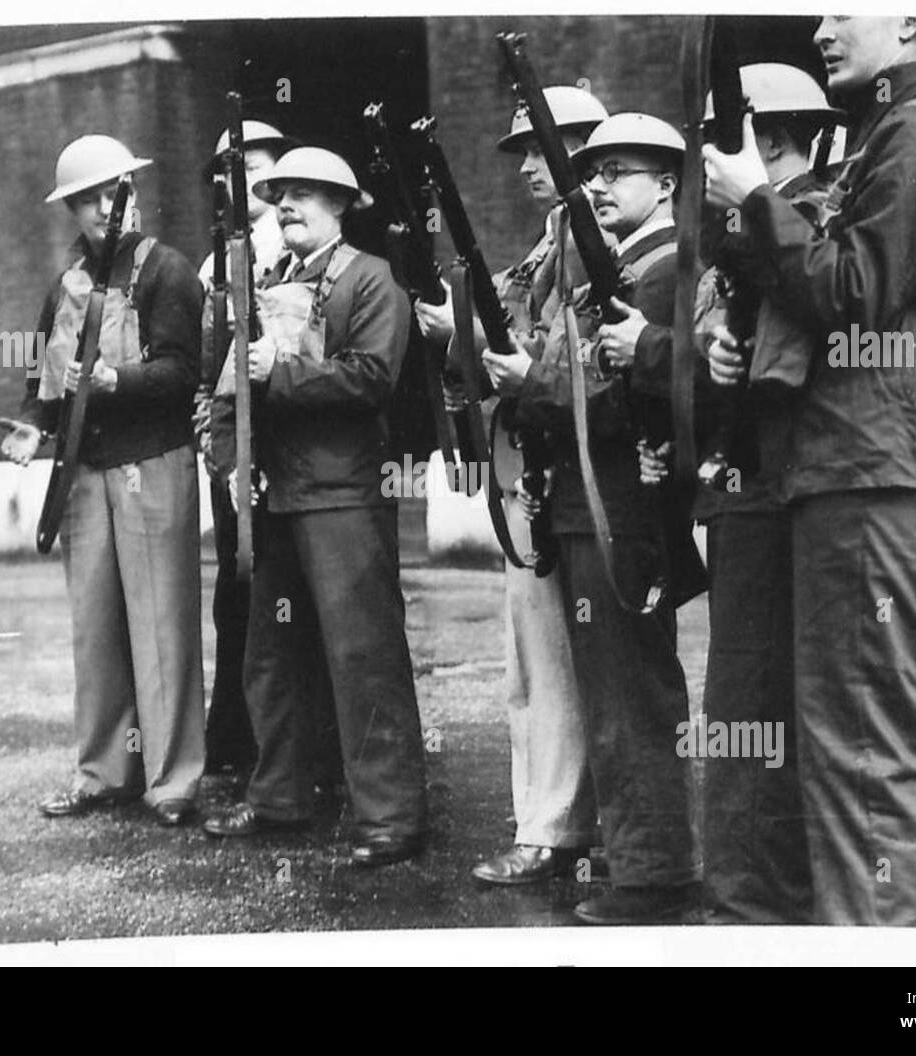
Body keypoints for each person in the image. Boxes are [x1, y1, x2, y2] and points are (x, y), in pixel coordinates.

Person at [705, 17, 916, 926]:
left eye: (841, 9)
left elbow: (852, 291)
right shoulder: (914, 131)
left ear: (911, 17)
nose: (822, 29)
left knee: (865, 765)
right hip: (901, 469)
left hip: (875, 475)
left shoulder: (913, 134)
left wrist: (757, 197)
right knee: (910, 746)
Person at [484, 112, 702, 924]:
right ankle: (638, 853)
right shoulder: (613, 270)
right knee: (610, 695)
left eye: (619, 173)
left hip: (624, 509)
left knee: (630, 697)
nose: (599, 187)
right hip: (591, 504)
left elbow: (627, 401)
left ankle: (653, 873)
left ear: (667, 184)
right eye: (594, 174)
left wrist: (527, 387)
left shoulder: (663, 269)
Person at [204, 147, 428, 867]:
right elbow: (230, 388)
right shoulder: (268, 283)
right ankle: (278, 797)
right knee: (270, 656)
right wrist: (234, 459)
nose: (287, 205)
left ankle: (389, 816)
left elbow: (371, 379)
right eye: (281, 195)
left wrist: (279, 370)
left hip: (343, 496)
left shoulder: (371, 279)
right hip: (279, 493)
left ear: (340, 203)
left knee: (363, 657)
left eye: (304, 193)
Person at [414, 85, 606, 886]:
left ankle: (556, 825)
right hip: (531, 459)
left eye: (544, 148)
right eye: (525, 150)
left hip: (566, 465)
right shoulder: (550, 239)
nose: (530, 165)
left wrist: (473, 334)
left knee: (555, 654)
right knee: (534, 653)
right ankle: (558, 819)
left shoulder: (589, 238)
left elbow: (567, 343)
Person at [0, 135, 206, 828]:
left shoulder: (166, 271)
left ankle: (172, 779)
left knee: (161, 625)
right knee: (96, 629)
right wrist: (32, 422)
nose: (102, 209)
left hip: (153, 463)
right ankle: (103, 772)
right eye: (86, 199)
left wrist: (120, 379)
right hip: (82, 471)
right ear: (73, 211)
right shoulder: (65, 286)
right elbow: (41, 376)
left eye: (111, 193)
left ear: (132, 194)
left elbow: (184, 373)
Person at [688, 63, 838, 923]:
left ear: (763, 141)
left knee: (757, 693)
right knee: (745, 693)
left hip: (783, 488)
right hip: (749, 486)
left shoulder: (804, 218)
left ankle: (757, 897)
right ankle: (754, 883)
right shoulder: (754, 230)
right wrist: (717, 343)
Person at [194, 120, 296, 794]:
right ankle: (233, 731)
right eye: (229, 166)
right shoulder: (215, 258)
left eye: (254, 163)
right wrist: (207, 408)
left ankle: (281, 744)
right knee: (234, 591)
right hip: (230, 433)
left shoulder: (286, 243)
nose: (241, 178)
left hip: (279, 432)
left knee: (273, 593)